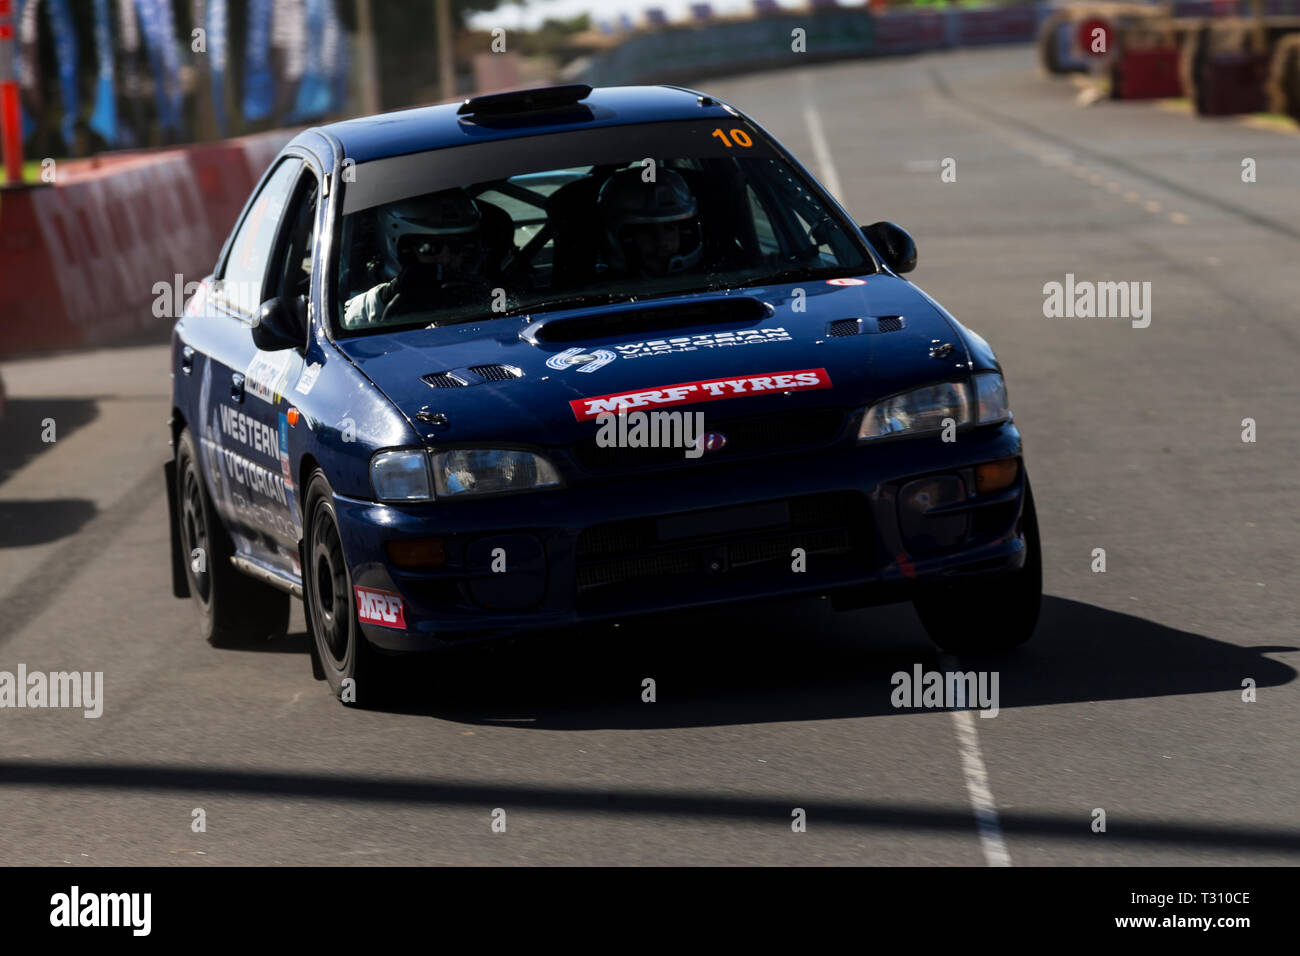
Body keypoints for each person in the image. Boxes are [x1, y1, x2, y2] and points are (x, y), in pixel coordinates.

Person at [343, 188, 491, 328]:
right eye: (429, 247)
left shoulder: (485, 283)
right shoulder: (355, 283)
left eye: (457, 246)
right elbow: (343, 325)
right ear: (402, 249)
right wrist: (387, 296)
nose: (446, 258)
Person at [597, 167, 704, 279]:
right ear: (621, 237)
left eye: (669, 228)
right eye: (646, 230)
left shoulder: (708, 280)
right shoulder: (601, 289)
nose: (661, 241)